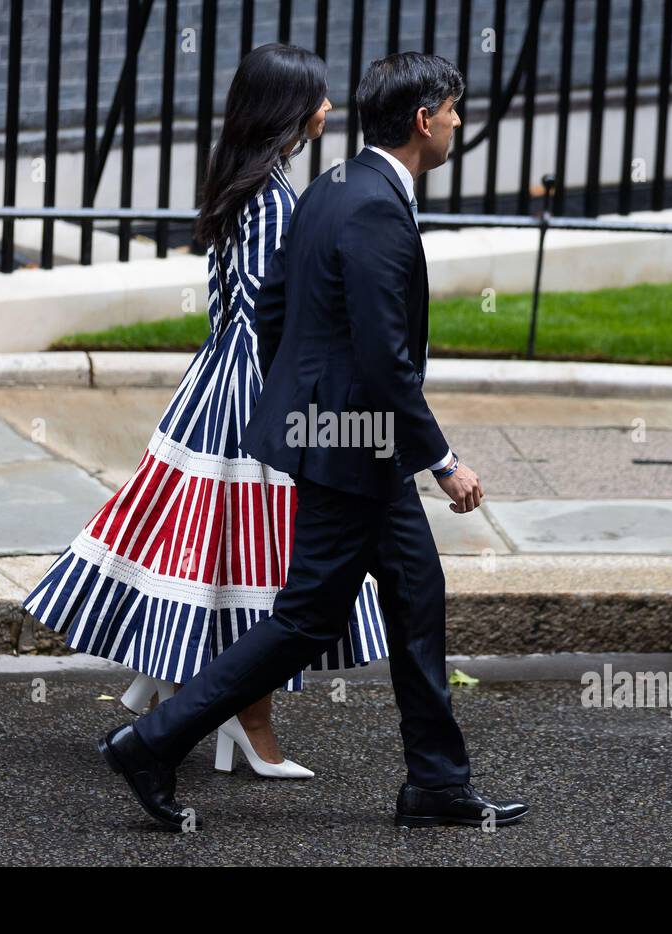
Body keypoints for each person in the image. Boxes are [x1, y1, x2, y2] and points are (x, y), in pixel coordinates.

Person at [98, 52, 529, 831]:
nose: (461, 123)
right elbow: (382, 357)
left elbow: (272, 315)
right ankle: (151, 742)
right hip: (354, 450)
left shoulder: (333, 187)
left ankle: (436, 782)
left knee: (414, 594)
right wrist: (444, 461)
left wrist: (302, 404)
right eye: (456, 110)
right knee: (305, 618)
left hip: (352, 445)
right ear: (424, 120)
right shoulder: (370, 207)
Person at [23, 44, 392, 780]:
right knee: (262, 561)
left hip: (220, 381)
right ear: (290, 109)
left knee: (201, 542)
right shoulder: (271, 196)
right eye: (318, 97)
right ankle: (248, 724)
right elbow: (266, 314)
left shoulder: (246, 180)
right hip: (252, 393)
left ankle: (170, 683)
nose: (328, 109)